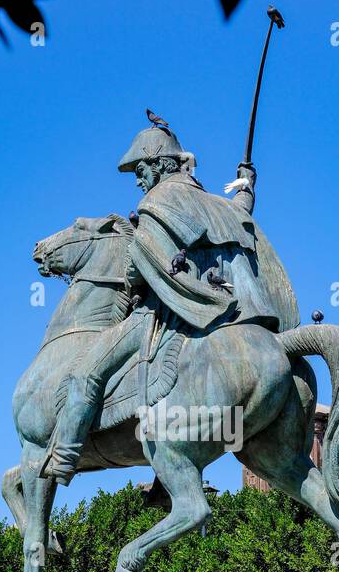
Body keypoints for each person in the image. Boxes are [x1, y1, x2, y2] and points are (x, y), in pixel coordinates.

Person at [42, 117, 294, 485]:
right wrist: (246, 185)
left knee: (85, 373)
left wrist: (131, 271)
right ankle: (164, 483)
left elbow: (143, 268)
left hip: (169, 313)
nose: (139, 179)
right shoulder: (210, 202)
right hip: (237, 312)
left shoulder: (156, 202)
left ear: (159, 165)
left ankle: (63, 457)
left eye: (141, 170)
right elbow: (241, 212)